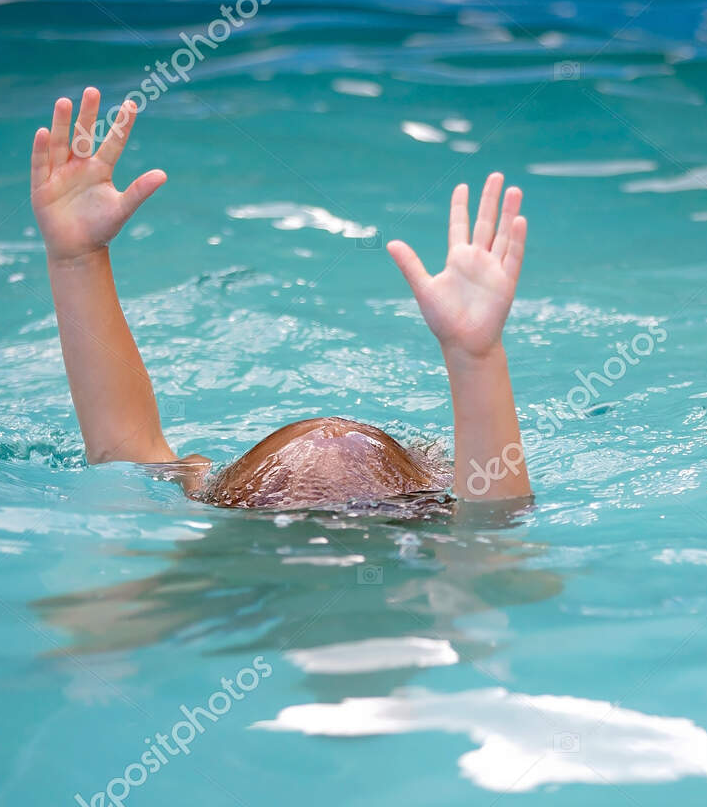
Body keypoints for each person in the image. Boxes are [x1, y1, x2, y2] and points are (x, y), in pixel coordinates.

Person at [29, 88, 532, 508]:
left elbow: (125, 460)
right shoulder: (438, 564)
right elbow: (491, 535)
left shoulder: (194, 579)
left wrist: (78, 262)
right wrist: (473, 360)